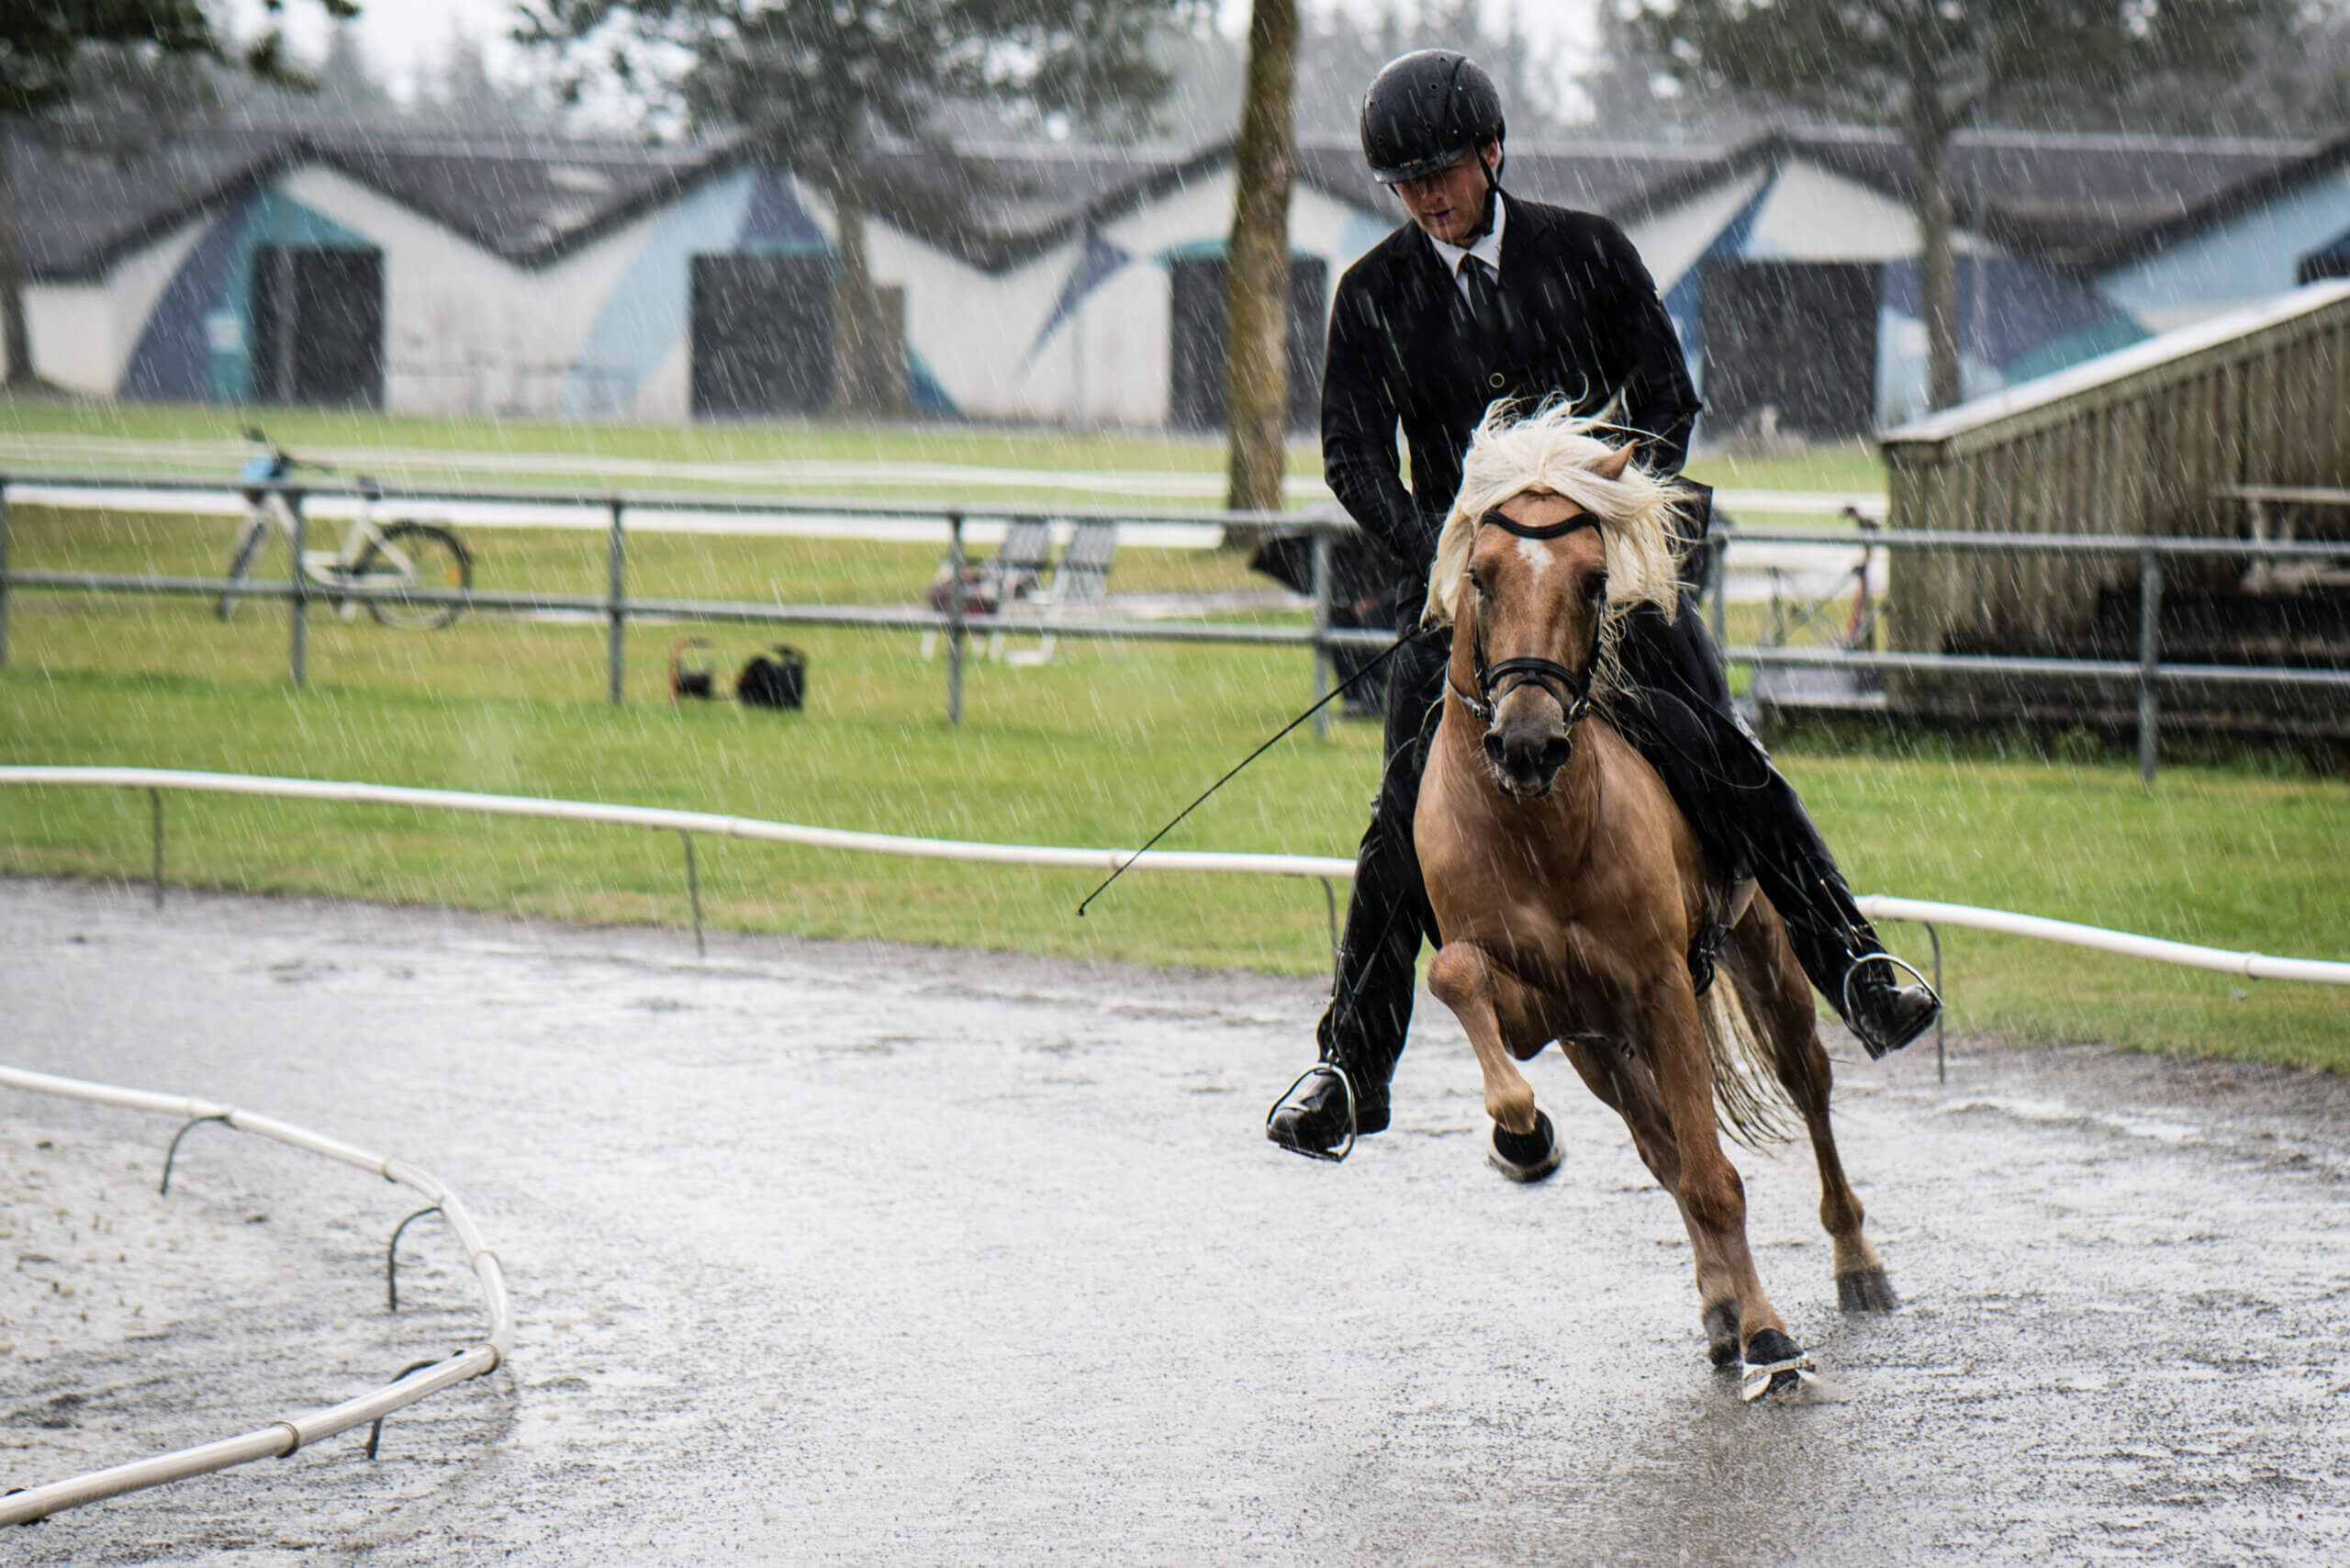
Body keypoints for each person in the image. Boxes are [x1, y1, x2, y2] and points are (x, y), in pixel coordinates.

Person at [1267, 49, 1940, 1163]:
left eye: (1441, 172)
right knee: (1397, 815)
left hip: (1599, 586)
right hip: (1467, 597)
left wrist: (1607, 521)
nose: (1427, 197)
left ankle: (1852, 961)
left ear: (1490, 155)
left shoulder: (1584, 252)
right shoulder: (1373, 294)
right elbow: (1348, 456)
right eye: (1405, 183)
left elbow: (1666, 400)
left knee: (1719, 752)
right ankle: (1349, 1064)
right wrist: (1436, 548)